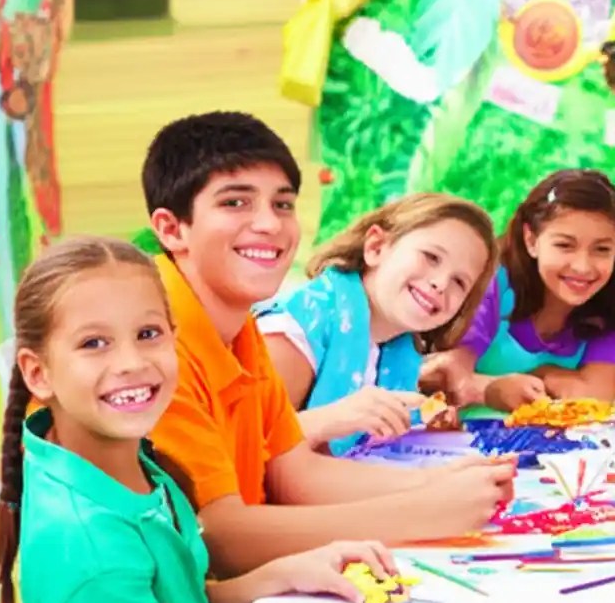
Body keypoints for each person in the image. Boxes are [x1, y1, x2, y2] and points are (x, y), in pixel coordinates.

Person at [0, 237, 400, 603]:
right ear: (38, 373)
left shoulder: (136, 468)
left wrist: (287, 574)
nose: (131, 362)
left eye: (147, 334)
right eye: (94, 343)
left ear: (174, 338)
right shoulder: (88, 547)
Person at [142, 111, 514, 576]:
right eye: (236, 202)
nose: (269, 225)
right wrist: (426, 511)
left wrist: (440, 483)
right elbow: (219, 538)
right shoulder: (154, 347)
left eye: (282, 205)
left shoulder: (242, 335)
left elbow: (296, 475)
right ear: (172, 228)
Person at [257, 193, 497, 455]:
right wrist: (332, 419)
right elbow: (241, 443)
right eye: (431, 257)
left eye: (460, 282)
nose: (441, 283)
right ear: (376, 247)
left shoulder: (396, 348)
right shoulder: (295, 332)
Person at [422, 169, 615, 415]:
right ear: (531, 240)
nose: (583, 266)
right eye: (564, 245)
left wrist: (540, 374)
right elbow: (444, 377)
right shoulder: (492, 282)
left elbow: (598, 398)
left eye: (601, 249)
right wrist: (496, 390)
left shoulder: (612, 303)